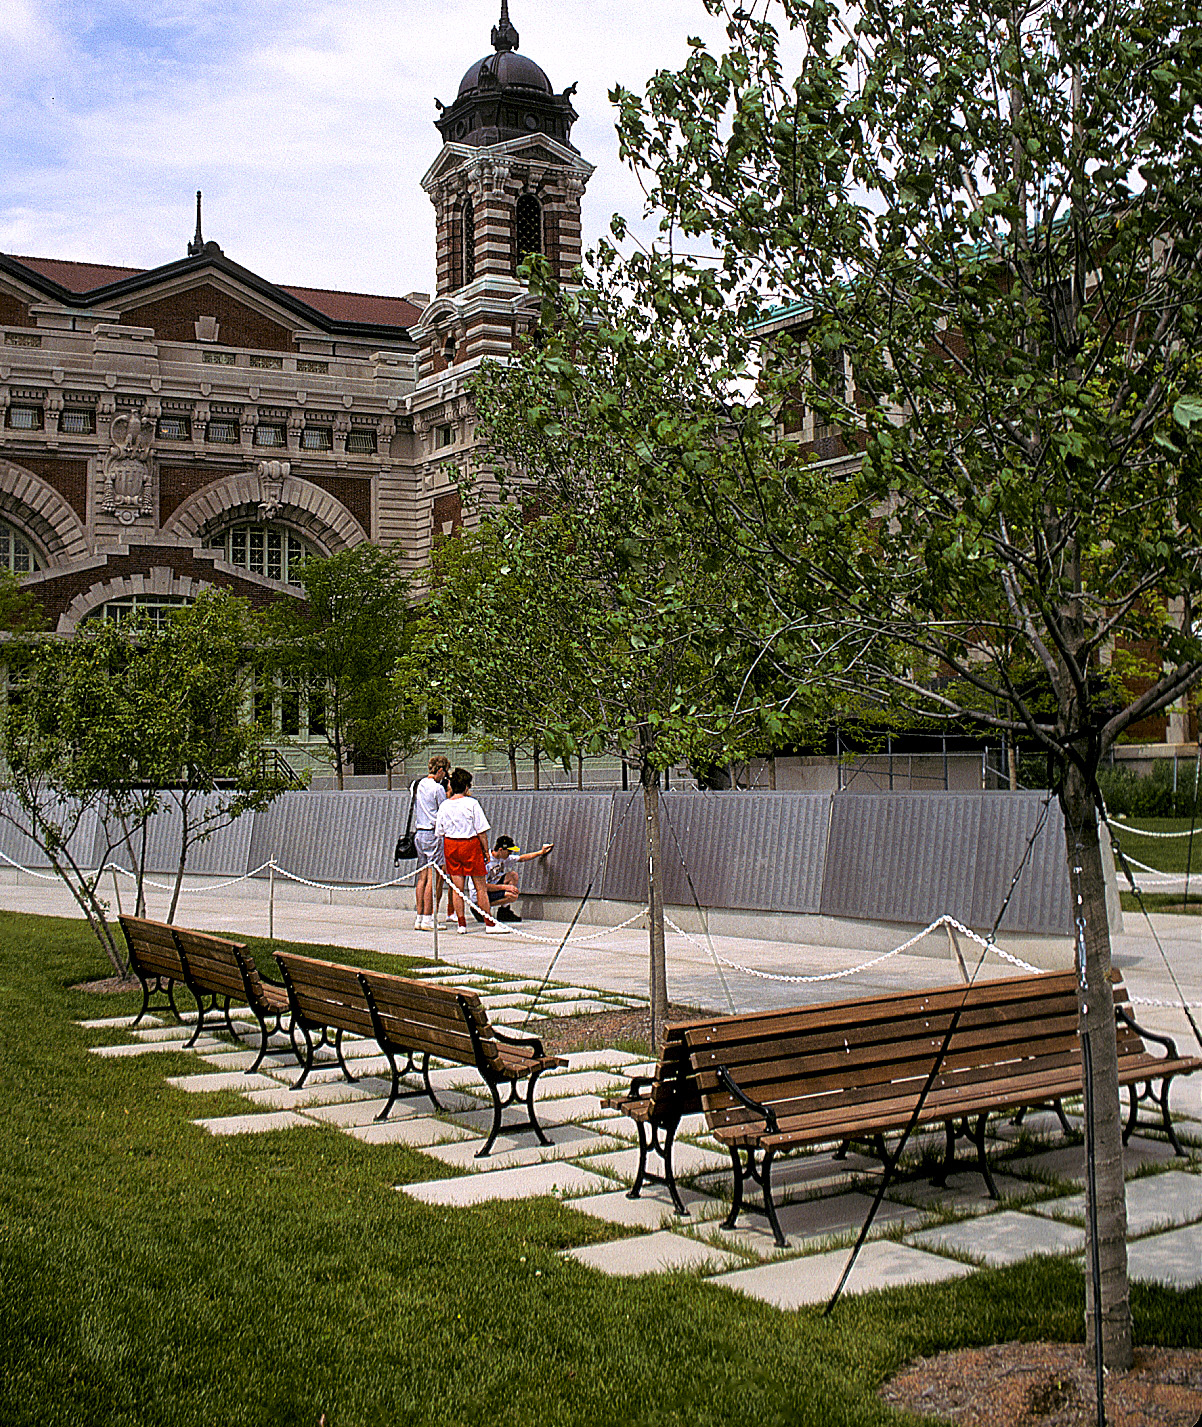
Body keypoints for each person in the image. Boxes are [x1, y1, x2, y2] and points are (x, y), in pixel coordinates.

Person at [433, 767, 509, 934]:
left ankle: (461, 923)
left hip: (451, 845)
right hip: (470, 844)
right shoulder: (472, 803)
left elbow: (439, 831)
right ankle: (489, 923)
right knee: (480, 886)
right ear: (467, 787)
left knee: (457, 887)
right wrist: (485, 851)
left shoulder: (445, 805)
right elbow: (481, 830)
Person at [412, 754, 450, 931]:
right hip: (433, 833)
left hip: (419, 832)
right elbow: (443, 811)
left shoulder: (417, 784)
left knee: (422, 877)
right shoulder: (437, 789)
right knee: (433, 878)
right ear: (440, 770)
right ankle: (428, 917)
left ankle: (419, 916)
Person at [480, 835, 553, 923]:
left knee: (513, 876)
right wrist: (506, 887)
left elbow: (522, 858)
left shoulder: (502, 857)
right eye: (509, 851)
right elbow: (483, 886)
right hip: (480, 894)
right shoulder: (486, 861)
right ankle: (480, 908)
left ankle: (504, 912)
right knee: (512, 896)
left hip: (492, 889)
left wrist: (541, 852)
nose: (510, 853)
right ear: (500, 850)